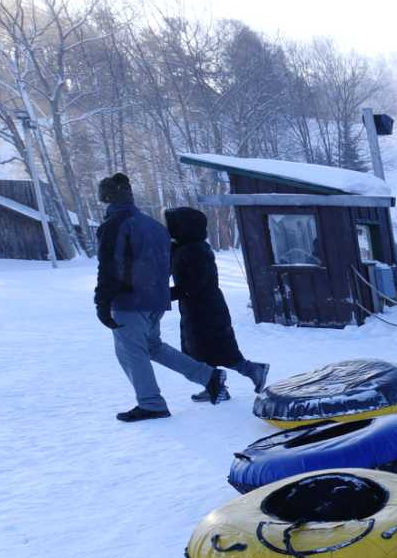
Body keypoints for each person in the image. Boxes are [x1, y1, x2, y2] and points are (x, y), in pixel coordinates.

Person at [94, 173, 223, 421]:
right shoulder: (153, 225)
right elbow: (164, 263)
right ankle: (208, 376)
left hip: (129, 300)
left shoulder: (114, 225)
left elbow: (109, 266)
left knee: (131, 352)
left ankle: (151, 403)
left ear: (108, 198)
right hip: (155, 299)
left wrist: (102, 302)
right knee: (152, 346)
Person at [166, 207, 268, 397]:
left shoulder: (191, 251)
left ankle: (251, 371)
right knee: (205, 349)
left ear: (183, 228)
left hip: (204, 309)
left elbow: (193, 284)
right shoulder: (188, 248)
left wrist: (164, 295)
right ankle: (216, 387)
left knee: (214, 349)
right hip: (200, 307)